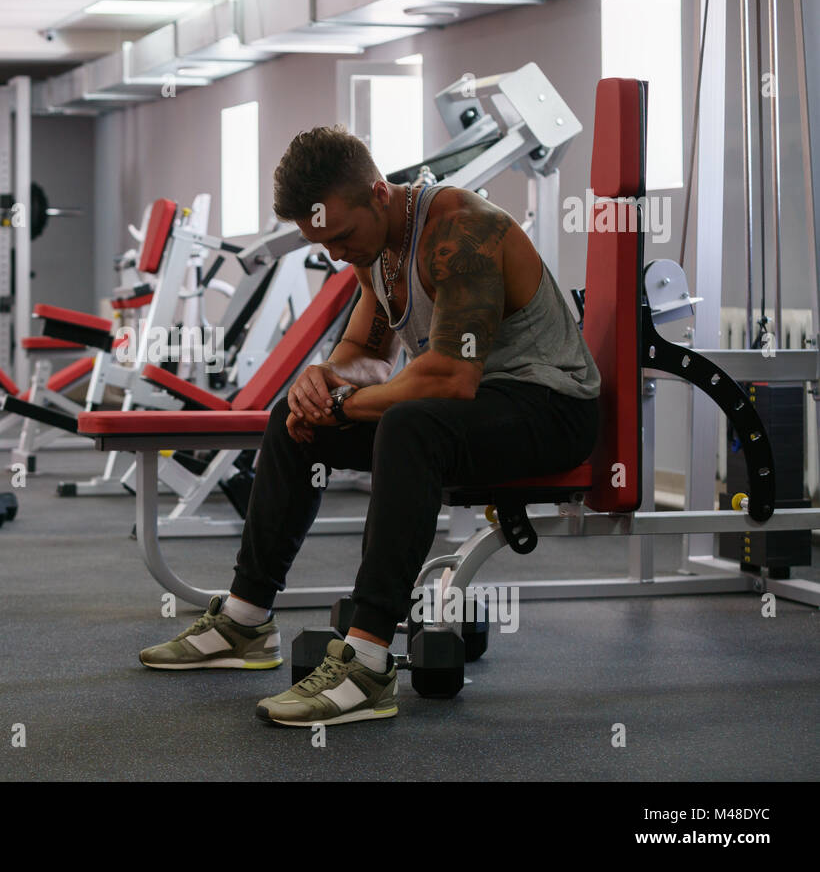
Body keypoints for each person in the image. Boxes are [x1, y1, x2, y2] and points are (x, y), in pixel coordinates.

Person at [140, 125, 601, 726]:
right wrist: (323, 380)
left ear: (379, 194)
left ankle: (367, 662)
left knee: (407, 426)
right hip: (472, 409)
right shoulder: (375, 250)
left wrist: (349, 404)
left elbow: (450, 378)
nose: (335, 252)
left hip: (551, 406)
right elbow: (368, 352)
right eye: (321, 242)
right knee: (294, 419)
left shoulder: (460, 228)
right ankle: (245, 622)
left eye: (341, 235)